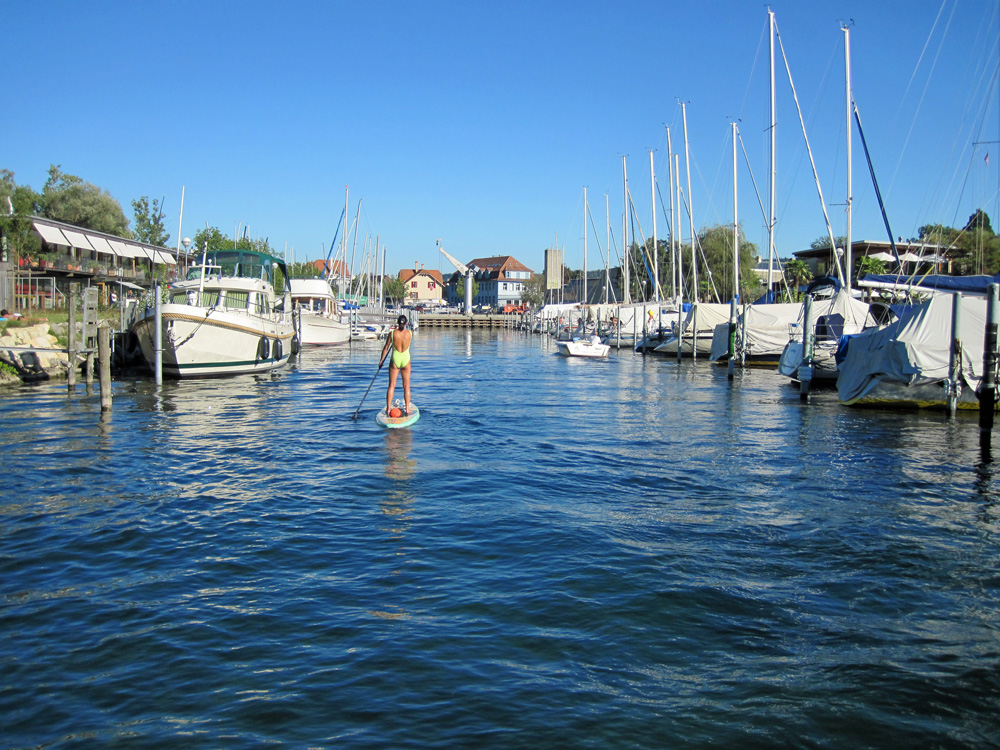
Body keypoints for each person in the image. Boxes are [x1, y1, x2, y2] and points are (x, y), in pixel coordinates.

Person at [379, 314, 413, 416]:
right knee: (406, 386)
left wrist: (381, 361)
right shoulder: (410, 333)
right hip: (406, 359)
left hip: (395, 359)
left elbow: (385, 348)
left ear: (397, 323)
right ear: (406, 323)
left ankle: (388, 409)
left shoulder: (392, 334)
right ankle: (407, 409)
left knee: (391, 386)